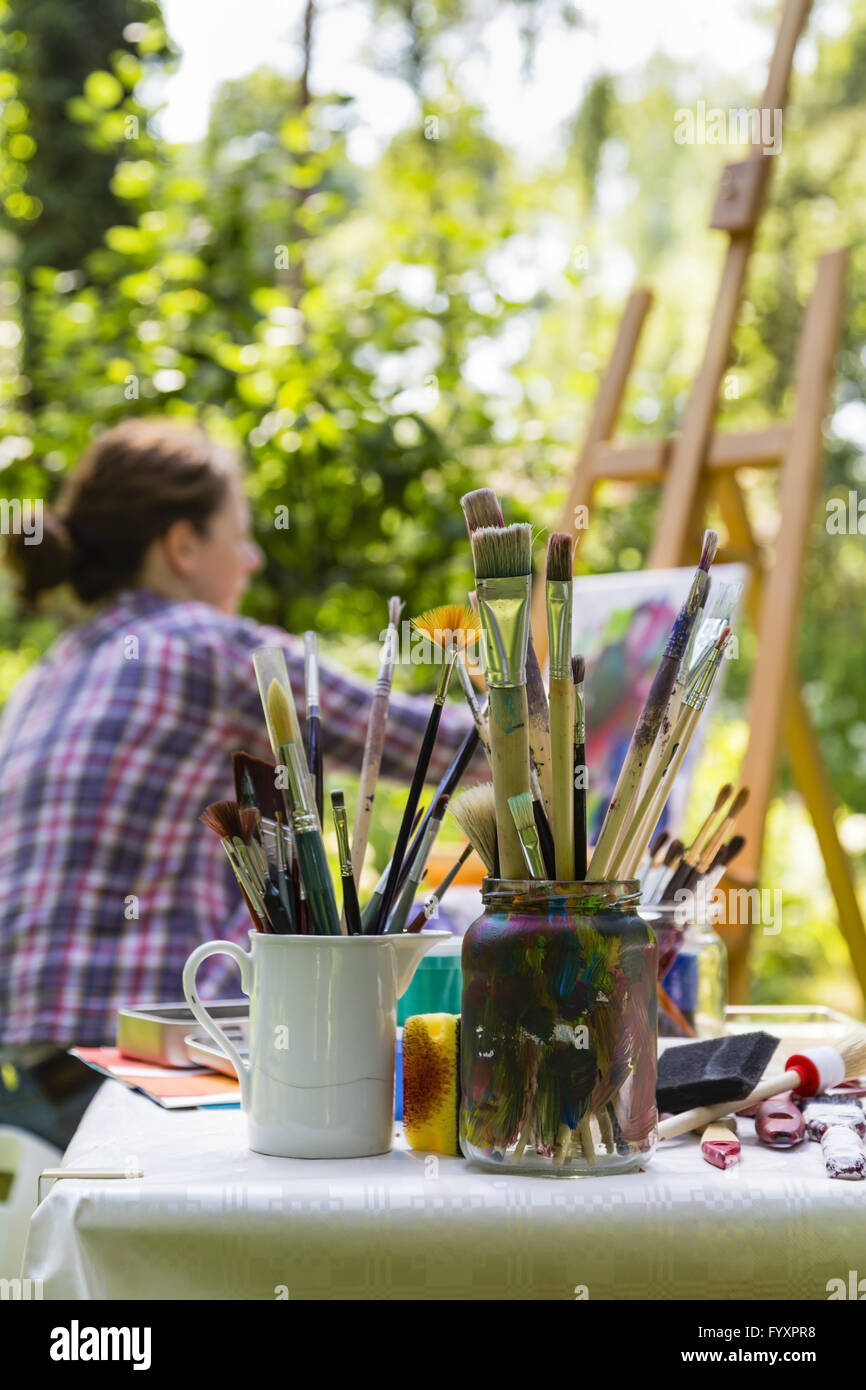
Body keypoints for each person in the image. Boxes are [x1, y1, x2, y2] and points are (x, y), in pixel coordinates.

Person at [0, 417, 474, 1146]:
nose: (253, 559)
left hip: (24, 1090)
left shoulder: (46, 675)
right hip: (137, 1082)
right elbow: (435, 747)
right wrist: (567, 706)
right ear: (182, 545)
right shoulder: (208, 647)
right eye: (239, 535)